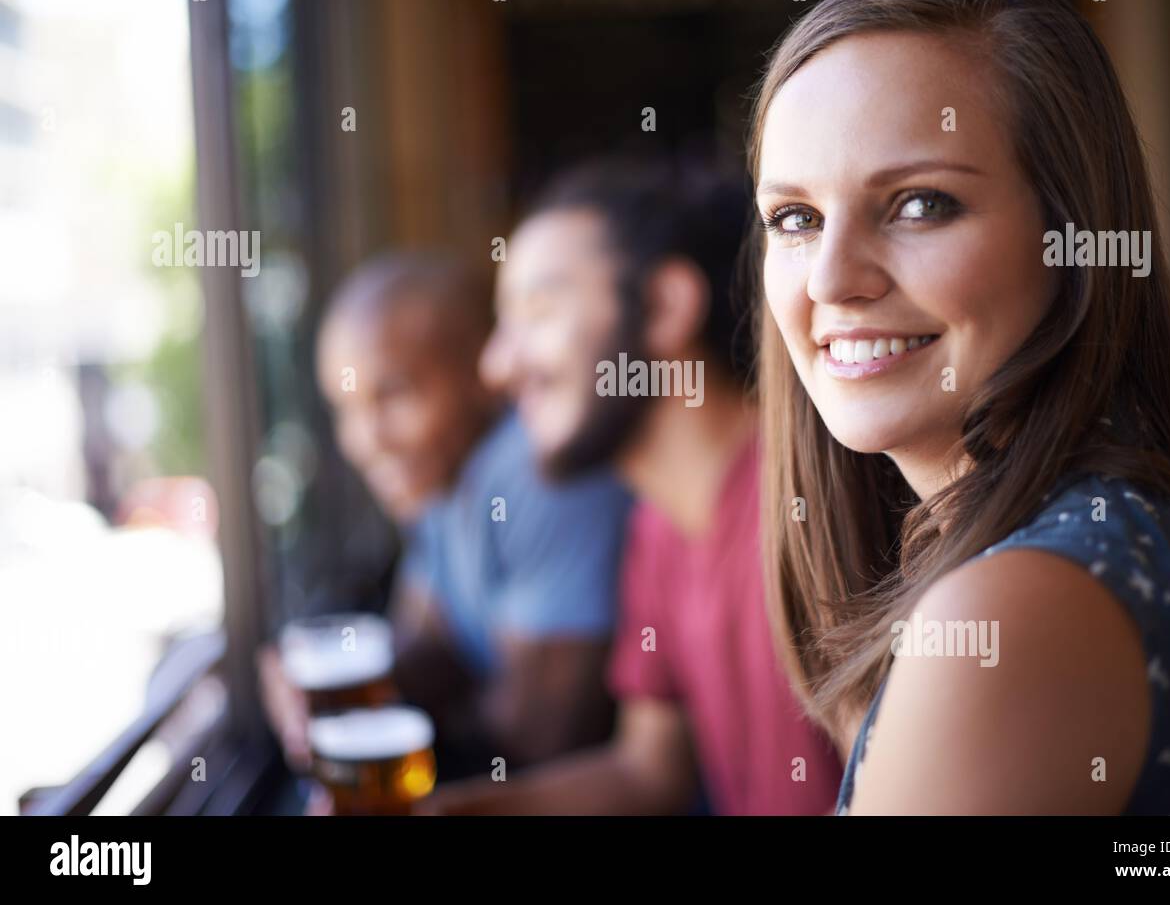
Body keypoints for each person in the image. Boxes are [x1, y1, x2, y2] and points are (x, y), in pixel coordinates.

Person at [749, 0, 1170, 814]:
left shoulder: (1014, 615)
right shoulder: (1112, 533)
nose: (829, 278)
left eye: (920, 203)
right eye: (796, 218)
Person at [423, 157, 842, 815]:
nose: (496, 366)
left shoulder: (815, 508)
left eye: (538, 311)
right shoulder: (660, 523)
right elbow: (648, 772)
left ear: (665, 306)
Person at [258, 250, 632, 783]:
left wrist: (374, 715)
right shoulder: (441, 480)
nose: (365, 442)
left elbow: (534, 734)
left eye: (392, 395)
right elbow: (433, 648)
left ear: (484, 369)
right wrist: (322, 687)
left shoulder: (536, 469)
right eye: (345, 409)